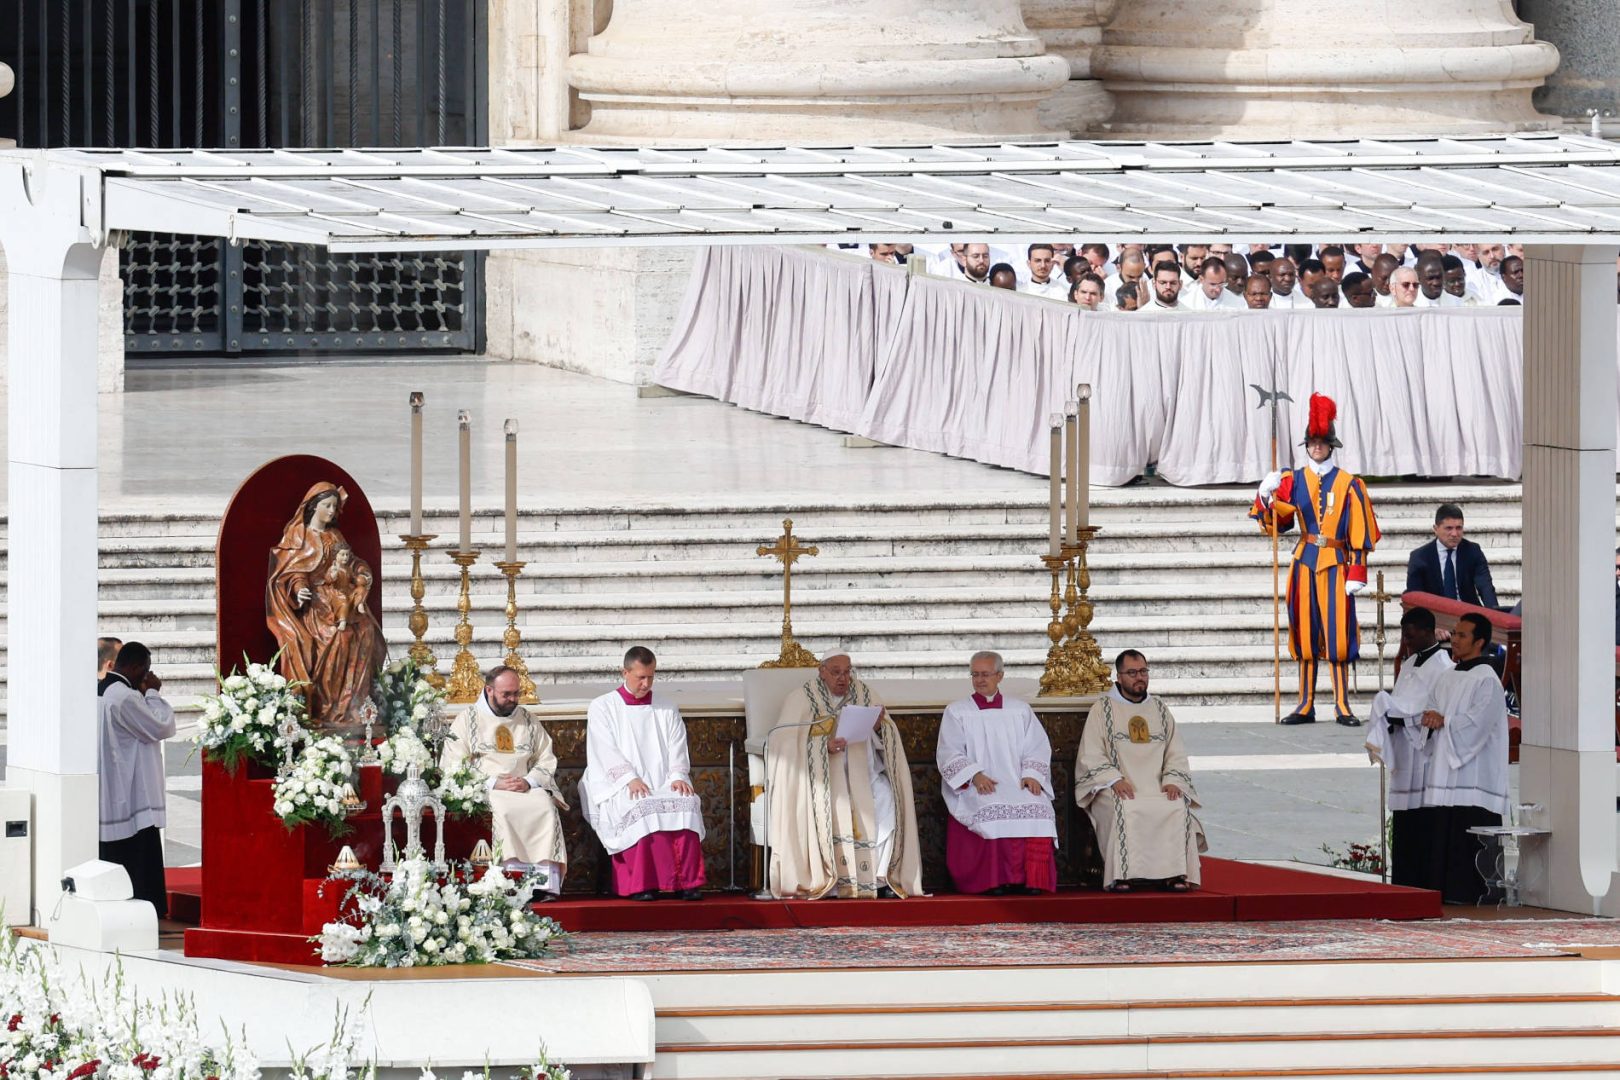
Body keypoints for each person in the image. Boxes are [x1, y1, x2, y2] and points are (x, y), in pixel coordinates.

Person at [1252, 394, 1381, 725]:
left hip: (1337, 562)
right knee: (1305, 631)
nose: (1317, 447)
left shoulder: (1350, 484)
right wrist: (1267, 496)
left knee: (1338, 635)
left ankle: (1342, 705)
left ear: (1331, 445)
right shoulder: (1291, 480)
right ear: (1306, 445)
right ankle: (1305, 704)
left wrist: (1357, 571)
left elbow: (1359, 531)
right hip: (1305, 559)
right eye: (1312, 442)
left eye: (1322, 442)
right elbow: (1278, 525)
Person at [766, 651, 923, 898]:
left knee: (884, 798)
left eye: (847, 671)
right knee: (830, 806)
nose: (843, 678)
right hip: (820, 778)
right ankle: (831, 881)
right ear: (822, 671)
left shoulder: (865, 694)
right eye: (836, 672)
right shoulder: (803, 698)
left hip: (864, 773)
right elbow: (781, 741)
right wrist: (821, 747)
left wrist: (880, 726)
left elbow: (889, 734)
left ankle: (878, 878)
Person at [580, 647, 706, 901]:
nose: (646, 683)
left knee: (686, 802)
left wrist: (678, 776)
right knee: (641, 804)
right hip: (621, 782)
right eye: (640, 677)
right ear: (624, 672)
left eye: (650, 676)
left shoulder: (666, 707)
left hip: (663, 780)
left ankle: (686, 883)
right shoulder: (603, 706)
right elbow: (604, 749)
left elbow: (677, 745)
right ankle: (642, 884)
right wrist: (629, 778)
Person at [1076, 650, 1204, 892]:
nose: (1139, 678)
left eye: (1143, 671)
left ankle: (1174, 874)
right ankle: (1122, 875)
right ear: (1119, 676)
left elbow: (1175, 752)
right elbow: (1091, 753)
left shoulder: (1159, 708)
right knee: (1124, 807)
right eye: (1132, 673)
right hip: (1117, 786)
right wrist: (1113, 779)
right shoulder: (1102, 709)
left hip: (1157, 786)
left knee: (1176, 806)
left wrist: (1173, 780)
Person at [265, 483, 387, 730]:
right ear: (313, 507)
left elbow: (350, 564)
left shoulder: (335, 536)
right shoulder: (299, 537)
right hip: (316, 603)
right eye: (327, 505)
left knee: (365, 631)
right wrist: (299, 590)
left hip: (339, 595)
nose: (332, 511)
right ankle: (327, 707)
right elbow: (291, 572)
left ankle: (353, 707)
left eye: (334, 506)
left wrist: (362, 574)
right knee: (336, 637)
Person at [937, 651, 1057, 895]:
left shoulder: (1020, 710)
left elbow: (1037, 746)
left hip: (1018, 780)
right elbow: (949, 752)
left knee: (1039, 807)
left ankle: (1031, 880)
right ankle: (993, 880)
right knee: (990, 806)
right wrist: (974, 775)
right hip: (979, 783)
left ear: (1000, 676)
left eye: (986, 674)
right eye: (975, 675)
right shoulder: (957, 711)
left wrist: (1033, 774)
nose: (980, 680)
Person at [440, 666, 567, 898]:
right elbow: (453, 765)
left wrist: (529, 781)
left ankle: (544, 883)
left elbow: (546, 757)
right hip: (489, 789)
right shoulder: (466, 720)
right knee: (504, 809)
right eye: (506, 694)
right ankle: (511, 883)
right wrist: (491, 783)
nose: (513, 699)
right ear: (489, 690)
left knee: (545, 807)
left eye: (516, 693)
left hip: (524, 787)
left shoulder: (528, 719)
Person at [1413, 613, 1510, 903]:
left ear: (1480, 641)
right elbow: (1432, 707)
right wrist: (1430, 718)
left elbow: (1478, 723)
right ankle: (1445, 890)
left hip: (1473, 773)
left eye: (1462, 635)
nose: (1454, 639)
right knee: (1445, 830)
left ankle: (1473, 893)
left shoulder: (1487, 680)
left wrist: (1446, 720)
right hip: (1447, 768)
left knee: (1466, 834)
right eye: (1454, 633)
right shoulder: (1448, 676)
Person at [1365, 608, 1454, 888]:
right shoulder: (1409, 662)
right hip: (1405, 751)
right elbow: (1402, 699)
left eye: (1411, 635)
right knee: (1404, 823)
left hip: (1425, 754)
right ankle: (1403, 880)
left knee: (1423, 823)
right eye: (1404, 636)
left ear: (1428, 632)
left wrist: (1403, 716)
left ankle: (1424, 883)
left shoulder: (1444, 667)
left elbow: (1435, 710)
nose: (1407, 641)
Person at [98, 641, 175, 917]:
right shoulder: (124, 696)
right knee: (138, 853)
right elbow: (160, 725)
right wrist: (153, 692)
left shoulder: (102, 690)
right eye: (145, 670)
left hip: (111, 782)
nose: (146, 676)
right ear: (135, 667)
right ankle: (146, 910)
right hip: (132, 791)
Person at [1407, 502, 1498, 608]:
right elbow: (1415, 596)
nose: (1454, 534)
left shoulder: (1472, 551)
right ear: (1436, 529)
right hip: (1434, 615)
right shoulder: (1420, 557)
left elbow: (1485, 586)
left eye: (1459, 528)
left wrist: (1495, 614)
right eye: (1449, 528)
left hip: (1468, 614)